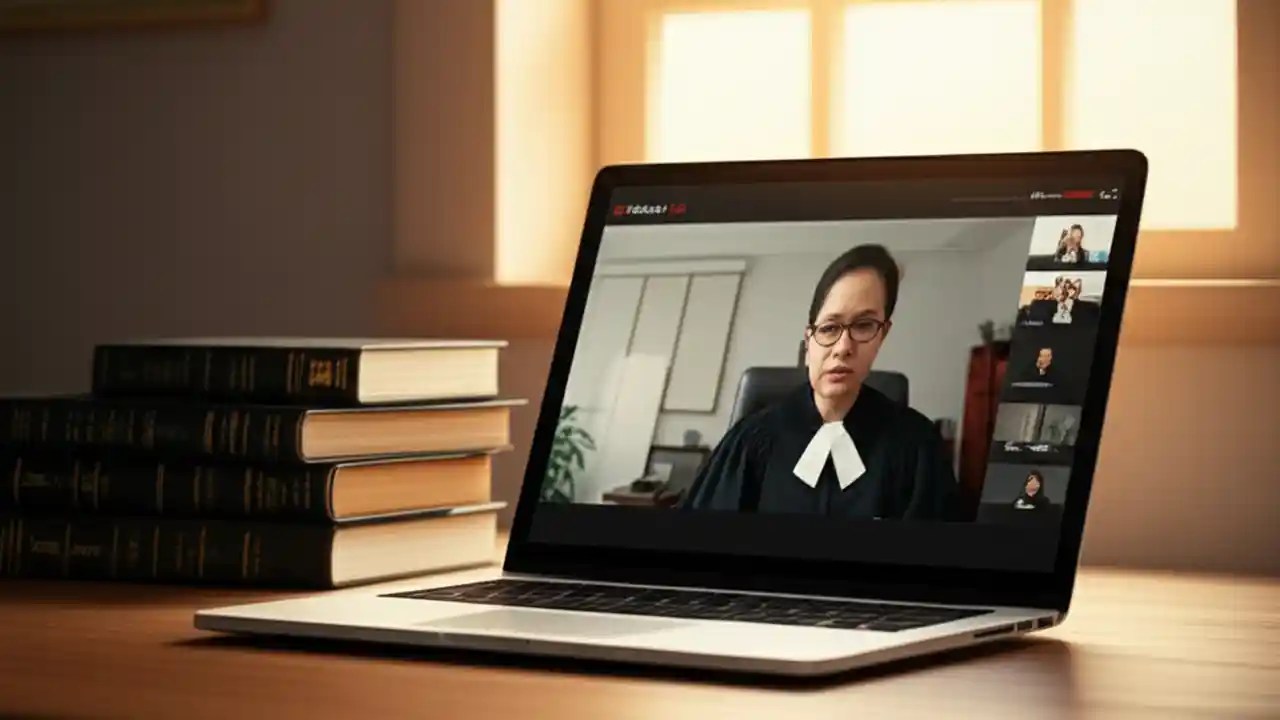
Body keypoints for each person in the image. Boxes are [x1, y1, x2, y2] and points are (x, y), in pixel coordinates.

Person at [680, 244, 960, 520]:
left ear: (882, 335)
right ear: (809, 341)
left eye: (864, 325)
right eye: (829, 328)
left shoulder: (919, 446)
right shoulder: (749, 441)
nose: (843, 347)